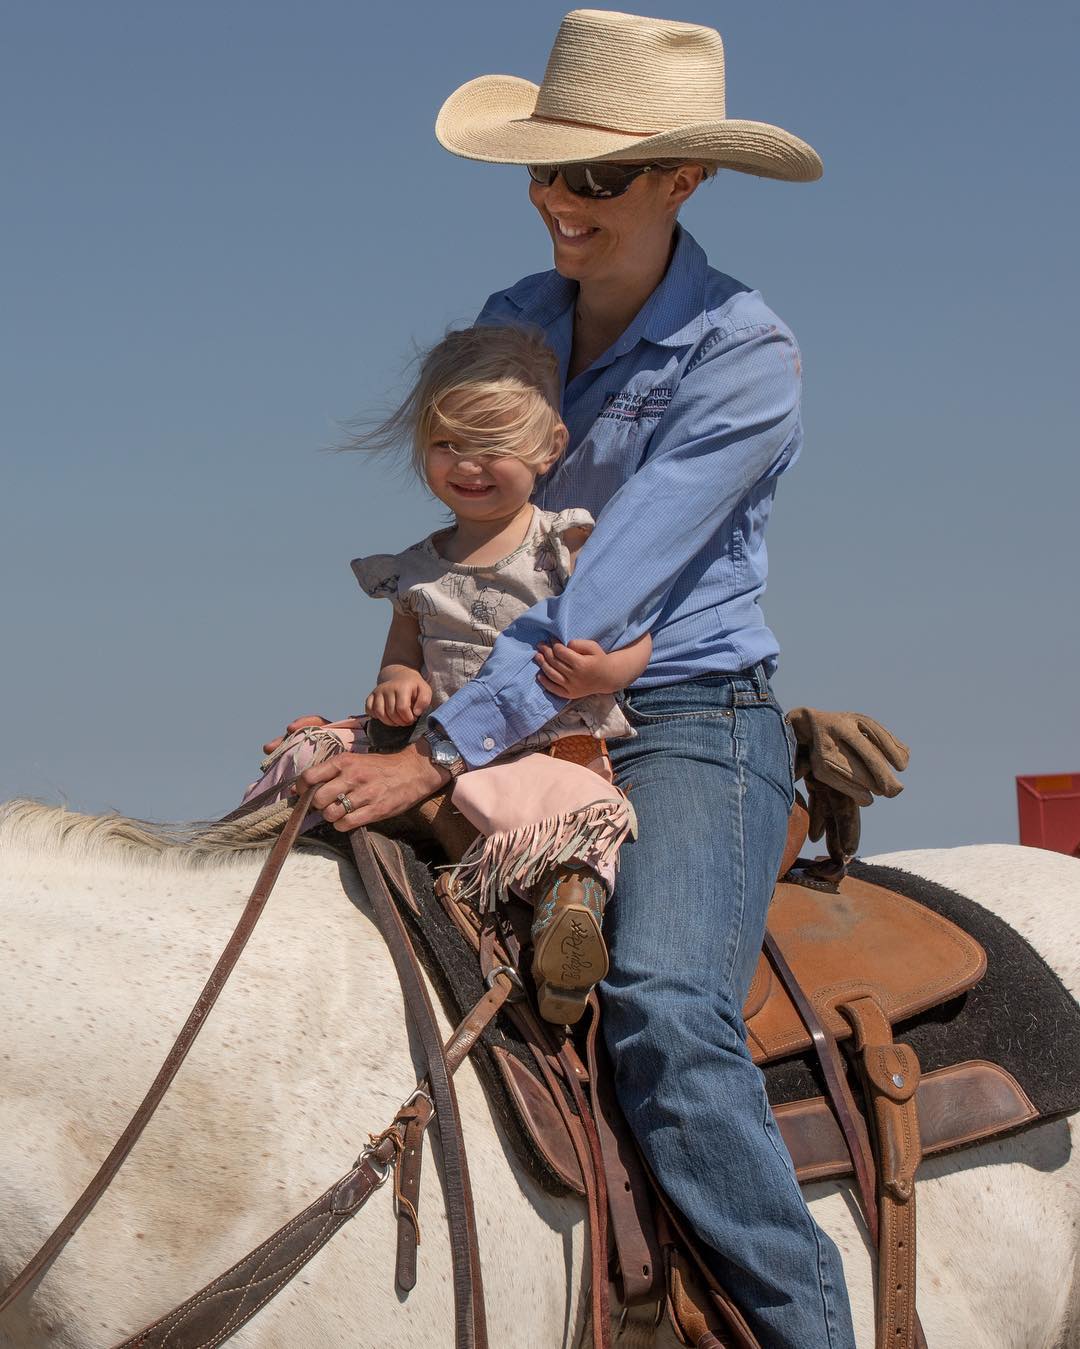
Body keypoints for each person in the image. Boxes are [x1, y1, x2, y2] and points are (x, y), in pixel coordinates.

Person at [293, 11, 855, 1345]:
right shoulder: (515, 322)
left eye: (596, 177)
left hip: (684, 721)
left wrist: (435, 760)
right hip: (489, 703)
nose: (558, 202)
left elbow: (610, 596)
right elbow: (481, 538)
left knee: (662, 1007)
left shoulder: (745, 358)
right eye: (545, 171)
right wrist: (404, 690)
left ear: (684, 180)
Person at [252, 323, 649, 1022]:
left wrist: (604, 672)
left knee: (569, 817)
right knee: (311, 752)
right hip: (436, 750)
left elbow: (636, 638)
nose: (467, 464)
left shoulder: (563, 541)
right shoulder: (417, 569)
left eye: (492, 446)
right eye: (447, 444)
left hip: (542, 743)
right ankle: (252, 859)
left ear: (549, 447)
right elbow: (403, 649)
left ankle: (566, 924)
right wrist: (398, 682)